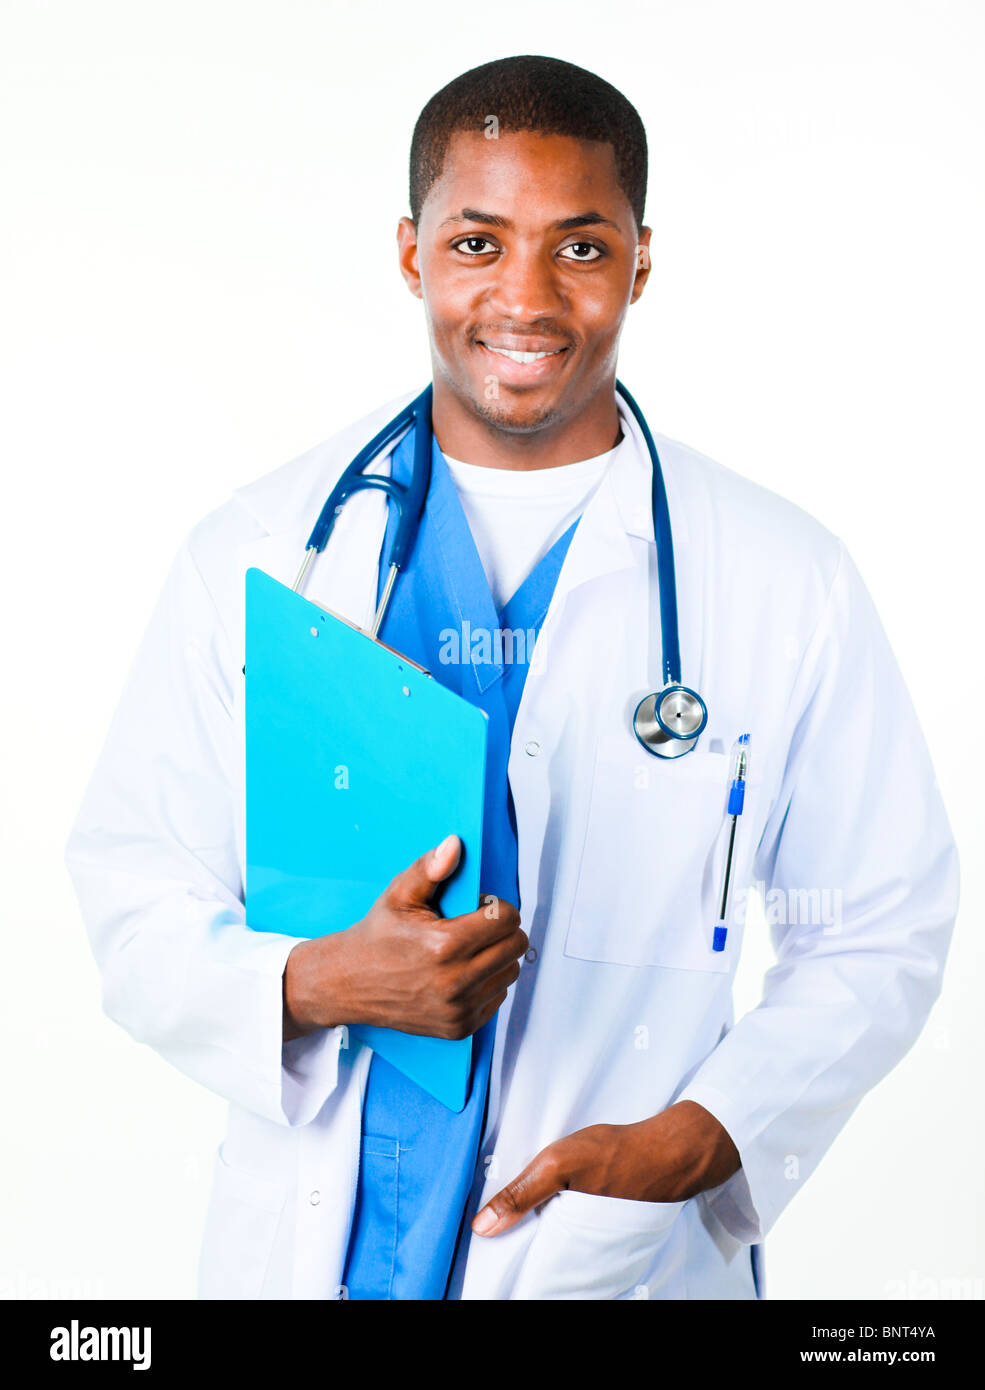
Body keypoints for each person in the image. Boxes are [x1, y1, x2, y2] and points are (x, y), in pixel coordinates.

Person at [64, 54, 959, 1301]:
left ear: (642, 260)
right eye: (478, 241)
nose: (525, 297)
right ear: (410, 251)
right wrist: (314, 979)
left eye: (580, 248)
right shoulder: (264, 552)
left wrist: (703, 1136)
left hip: (610, 1251)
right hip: (320, 1247)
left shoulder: (779, 575)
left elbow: (877, 920)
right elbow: (133, 880)